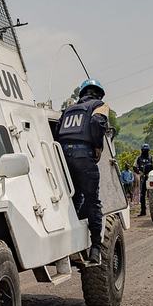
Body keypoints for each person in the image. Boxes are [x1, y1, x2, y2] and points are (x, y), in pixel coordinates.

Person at [58, 79, 111, 264]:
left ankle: (70, 245)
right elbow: (97, 122)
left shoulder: (68, 109)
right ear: (99, 93)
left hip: (62, 156)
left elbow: (57, 130)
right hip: (84, 156)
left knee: (73, 199)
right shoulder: (100, 106)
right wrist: (98, 146)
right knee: (92, 201)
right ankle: (95, 247)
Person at [134, 143, 153, 217]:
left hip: (151, 178)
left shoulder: (151, 157)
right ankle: (143, 211)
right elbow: (135, 167)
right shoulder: (138, 158)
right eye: (144, 150)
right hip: (143, 178)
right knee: (142, 195)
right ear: (142, 150)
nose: (145, 152)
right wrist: (139, 172)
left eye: (146, 150)